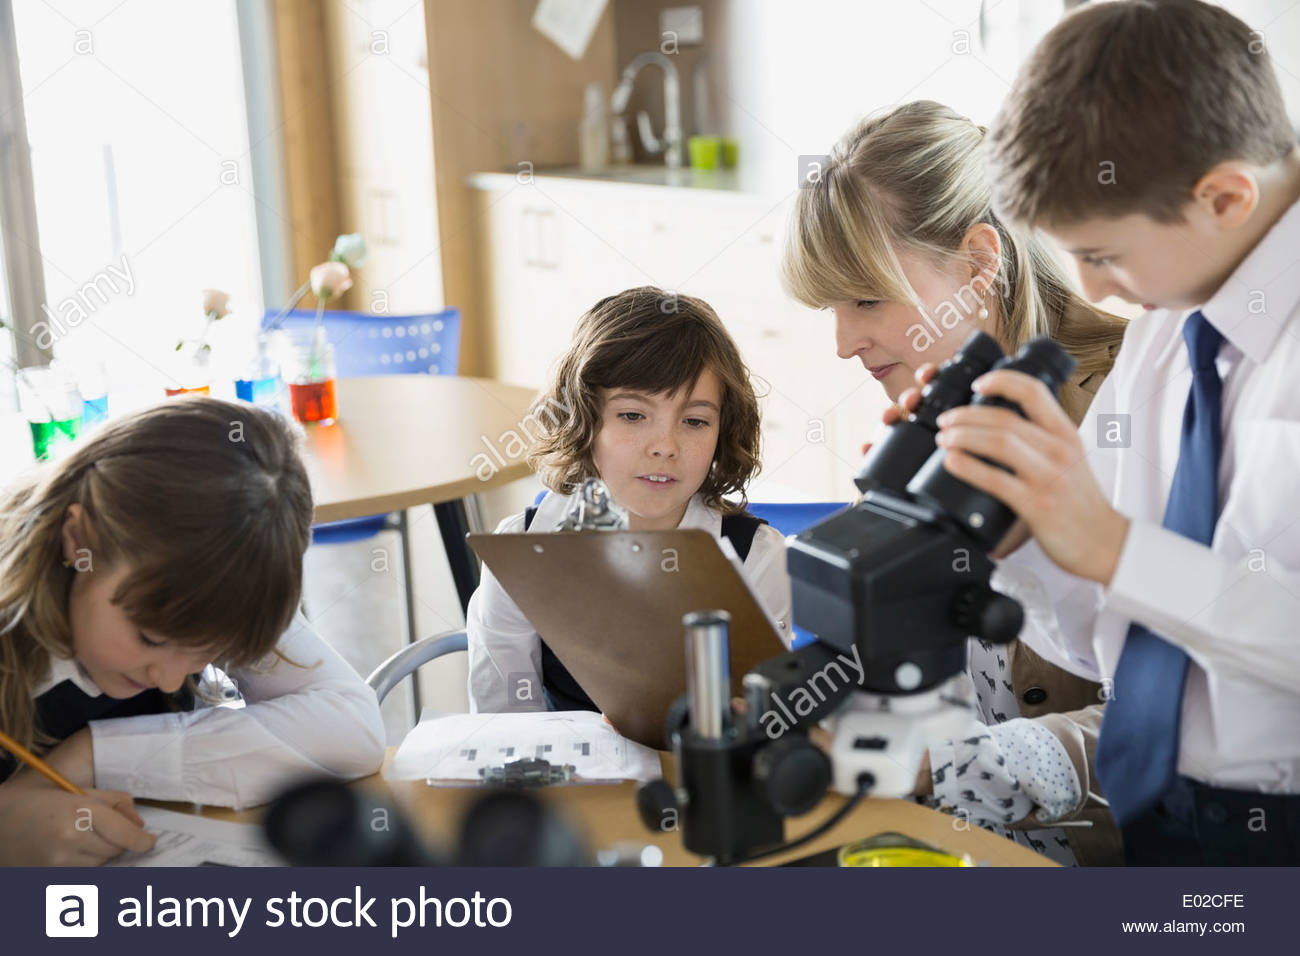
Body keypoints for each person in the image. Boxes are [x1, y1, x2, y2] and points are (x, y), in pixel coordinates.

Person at [935, 0, 1300, 864]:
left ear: (1225, 197)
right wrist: (1027, 537)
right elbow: (1107, 647)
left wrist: (1116, 548)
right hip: (1162, 810)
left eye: (1102, 255)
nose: (1091, 290)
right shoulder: (1167, 331)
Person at [782, 99, 1130, 864]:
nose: (844, 341)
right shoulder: (944, 410)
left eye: (865, 297)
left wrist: (946, 766)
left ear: (977, 265)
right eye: (833, 306)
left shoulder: (1128, 416)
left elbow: (1191, 720)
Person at [0, 398, 385, 865]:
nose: (168, 681)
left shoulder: (224, 571)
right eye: (151, 639)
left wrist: (94, 756)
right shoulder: (167, 556)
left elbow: (353, 730)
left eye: (207, 653)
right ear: (78, 540)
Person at [467, 287, 792, 714]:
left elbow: (764, 723)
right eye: (633, 415)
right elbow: (503, 723)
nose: (665, 446)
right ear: (585, 420)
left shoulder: (759, 560)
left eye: (695, 421)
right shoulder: (520, 550)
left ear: (722, 430)